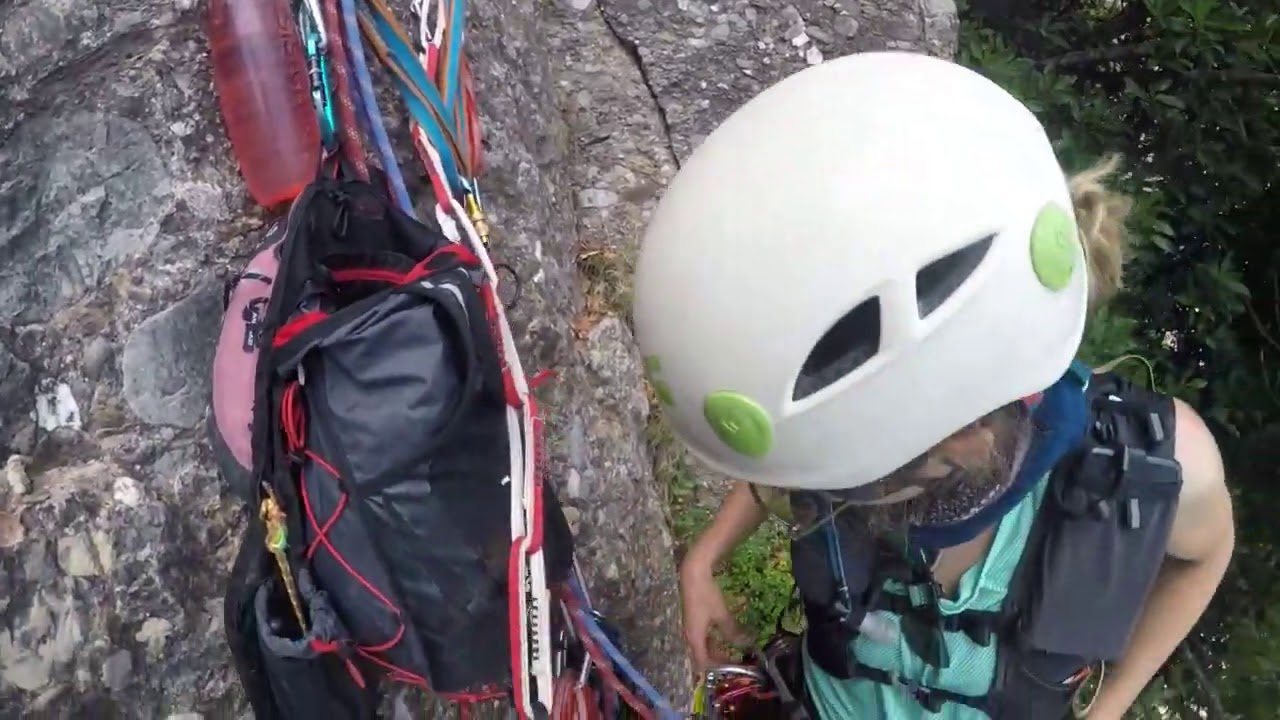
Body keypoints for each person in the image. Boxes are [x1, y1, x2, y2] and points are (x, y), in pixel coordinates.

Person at [631, 51, 1235, 719]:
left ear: (969, 436)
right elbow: (806, 452)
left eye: (857, 485)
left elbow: (1205, 557)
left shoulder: (1154, 463)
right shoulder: (874, 433)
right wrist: (705, 556)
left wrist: (1111, 706)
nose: (833, 501)